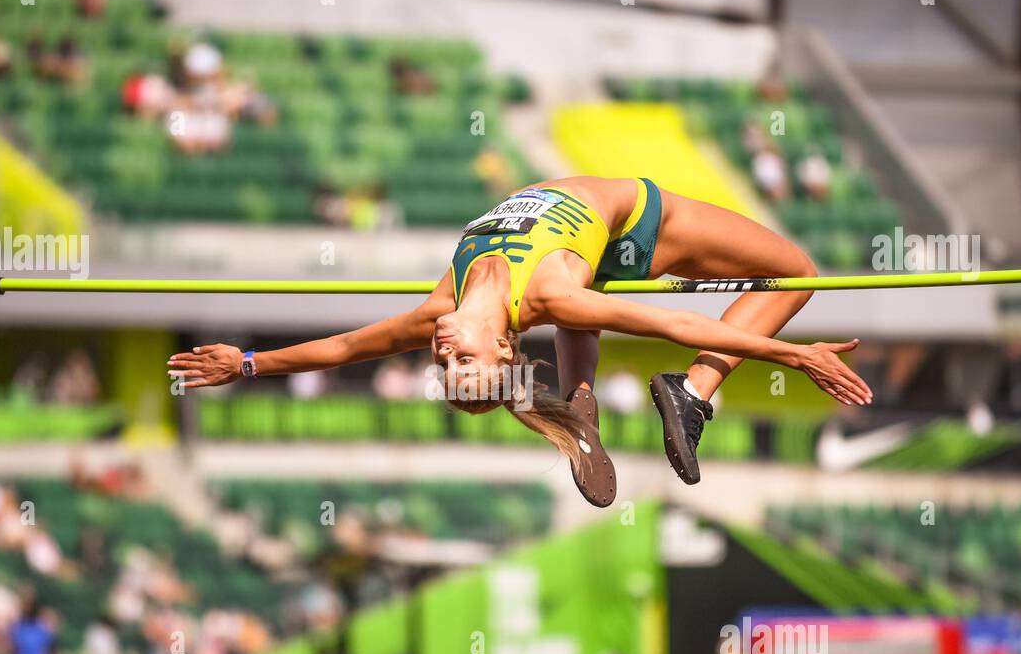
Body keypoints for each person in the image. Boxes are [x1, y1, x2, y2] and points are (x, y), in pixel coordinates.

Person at [169, 176, 872, 507]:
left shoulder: (439, 307)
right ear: (504, 350)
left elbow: (342, 349)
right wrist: (791, 353)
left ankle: (581, 399)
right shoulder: (544, 297)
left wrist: (250, 361)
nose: (445, 349)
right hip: (636, 222)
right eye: (464, 359)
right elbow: (674, 324)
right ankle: (692, 396)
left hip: (580, 268)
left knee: (577, 312)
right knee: (797, 271)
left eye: (445, 363)